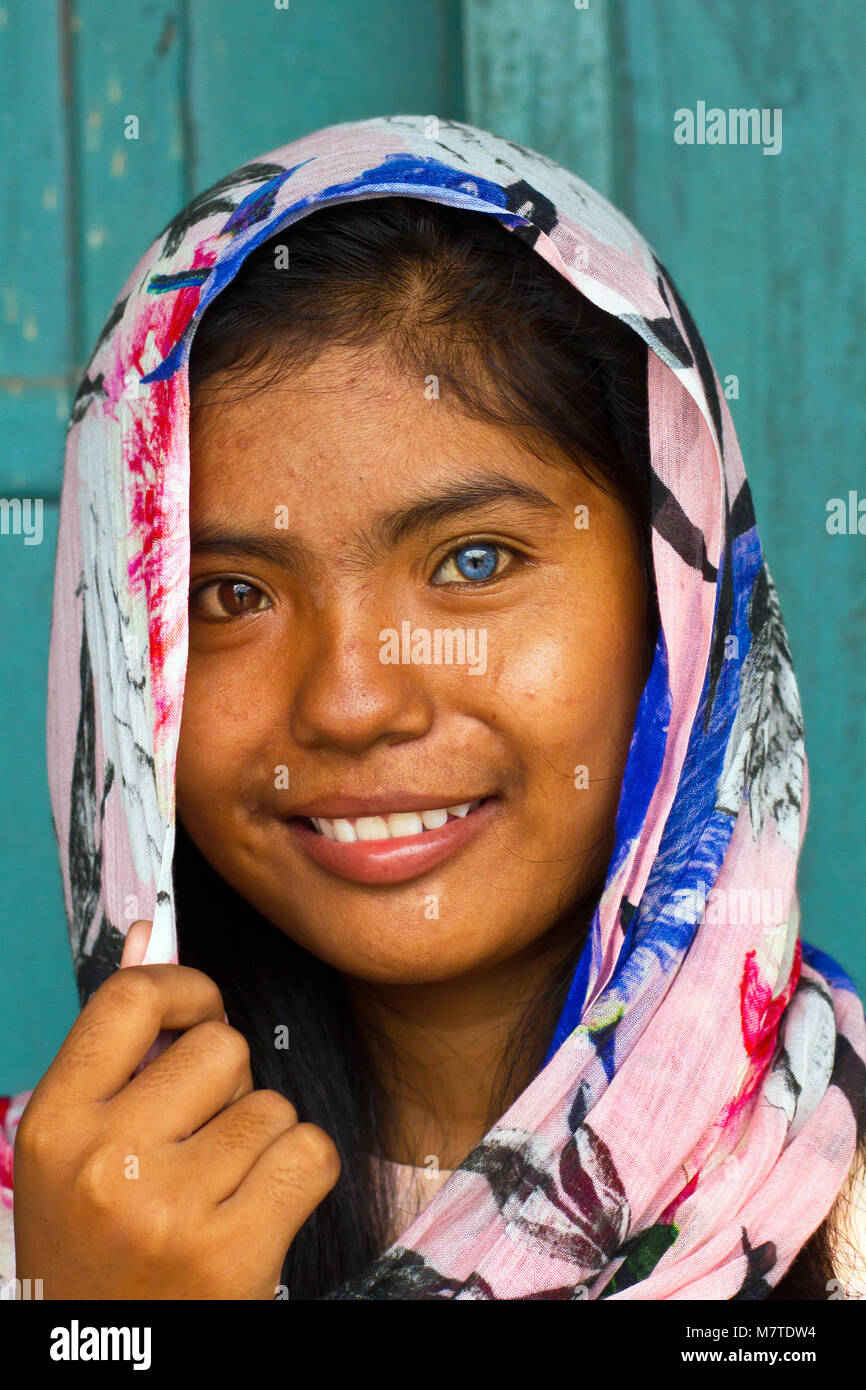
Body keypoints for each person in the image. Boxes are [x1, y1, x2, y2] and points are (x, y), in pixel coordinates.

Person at [2, 115, 864, 1300]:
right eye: (230, 593)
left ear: (681, 600)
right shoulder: (50, 1245)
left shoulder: (842, 1211)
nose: (351, 701)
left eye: (472, 562)